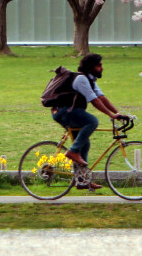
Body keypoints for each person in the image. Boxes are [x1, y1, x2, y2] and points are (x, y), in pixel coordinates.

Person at [51, 53, 125, 190]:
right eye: (99, 65)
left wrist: (117, 113)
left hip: (72, 112)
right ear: (91, 67)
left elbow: (102, 97)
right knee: (92, 121)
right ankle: (73, 151)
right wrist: (110, 114)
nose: (102, 68)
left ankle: (82, 180)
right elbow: (94, 100)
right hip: (65, 112)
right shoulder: (81, 79)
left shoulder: (90, 80)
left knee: (84, 143)